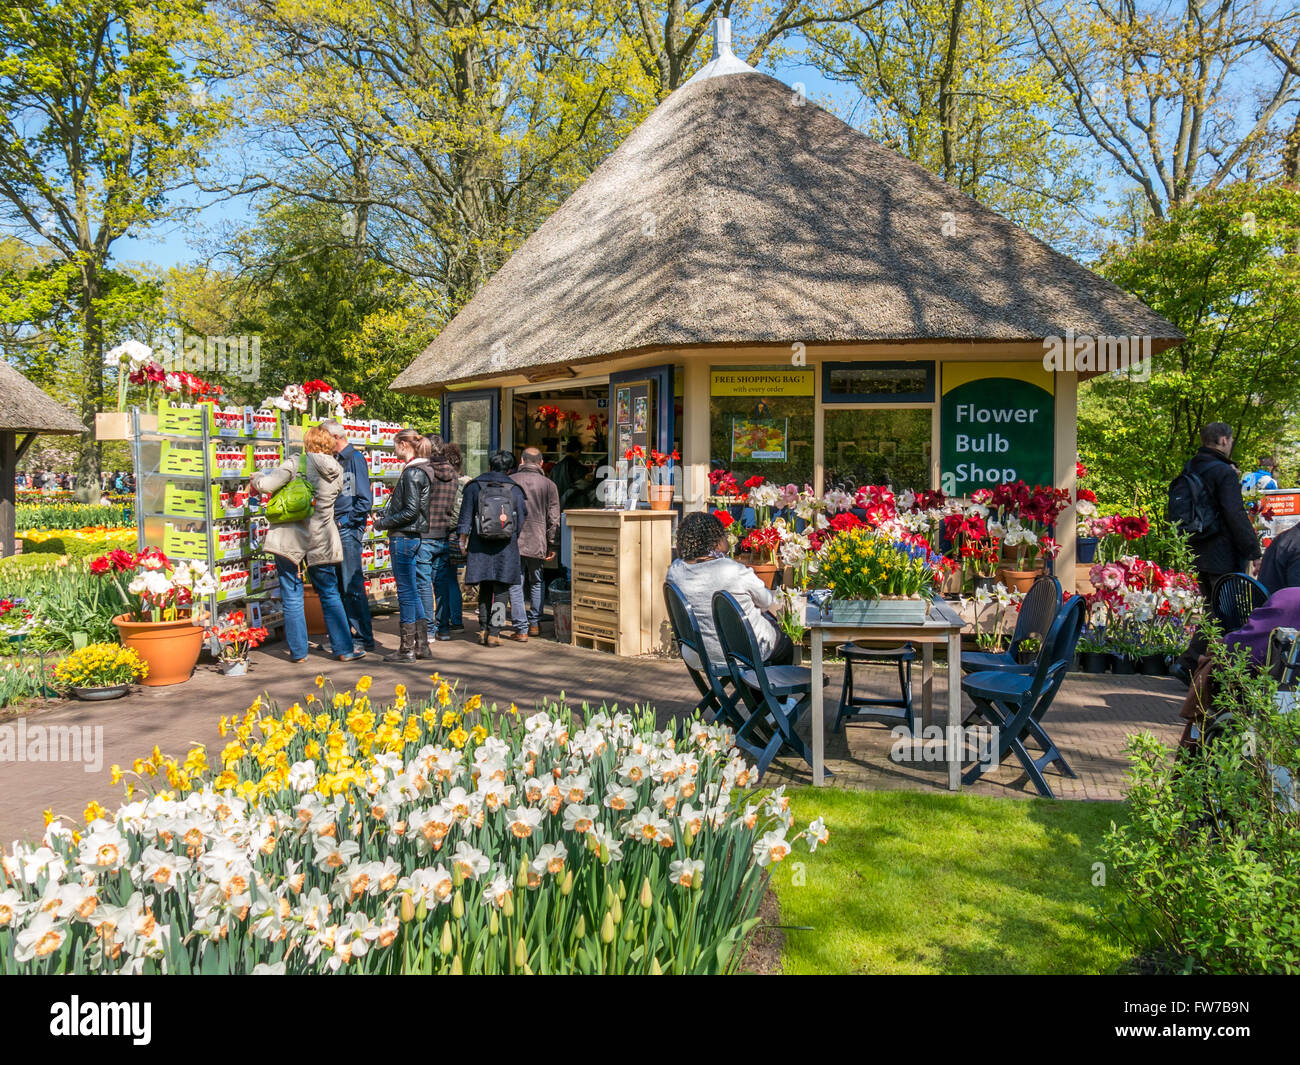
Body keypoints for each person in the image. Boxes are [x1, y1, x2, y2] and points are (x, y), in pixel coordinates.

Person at [251, 425, 361, 662]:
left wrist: (258, 477)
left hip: (292, 536)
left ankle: (299, 653)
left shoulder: (296, 462)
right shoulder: (337, 470)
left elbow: (266, 486)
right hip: (322, 538)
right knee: (330, 593)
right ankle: (344, 649)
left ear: (308, 442)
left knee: (291, 593)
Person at [1172, 422, 1264, 684]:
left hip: (1197, 547)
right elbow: (1235, 515)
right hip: (1222, 552)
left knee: (1215, 608)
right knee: (1225, 610)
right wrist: (1254, 551)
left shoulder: (1193, 466)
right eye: (1231, 440)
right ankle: (1192, 665)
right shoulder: (1223, 472)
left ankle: (1203, 667)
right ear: (1224, 440)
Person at [666, 510, 793, 669]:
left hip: (697, 655)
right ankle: (769, 693)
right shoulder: (732, 570)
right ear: (716, 543)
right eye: (724, 535)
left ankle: (753, 691)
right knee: (785, 644)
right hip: (742, 653)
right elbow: (766, 601)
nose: (727, 539)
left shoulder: (675, 571)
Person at [457, 449, 528, 647]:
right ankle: (495, 633)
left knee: (485, 586)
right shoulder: (515, 489)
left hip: (480, 544)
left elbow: (465, 517)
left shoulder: (474, 486)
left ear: (489, 465)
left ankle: (482, 629)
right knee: (502, 588)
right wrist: (511, 536)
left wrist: (462, 541)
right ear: (509, 468)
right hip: (506, 545)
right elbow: (521, 519)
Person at [373, 428, 433, 661]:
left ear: (404, 445)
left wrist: (383, 522)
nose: (393, 449)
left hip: (403, 536)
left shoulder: (412, 473)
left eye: (395, 445)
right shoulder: (421, 471)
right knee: (414, 592)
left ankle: (406, 649)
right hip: (413, 537)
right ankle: (421, 645)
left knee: (406, 593)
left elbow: (410, 510)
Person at [322, 419, 375, 653]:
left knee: (351, 583)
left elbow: (364, 499)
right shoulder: (337, 460)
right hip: (337, 527)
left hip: (347, 528)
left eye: (325, 439)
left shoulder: (354, 459)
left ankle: (363, 636)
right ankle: (348, 635)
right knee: (342, 583)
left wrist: (346, 521)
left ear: (335, 437)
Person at [510, 447, 560, 639]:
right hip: (538, 539)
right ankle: (535, 624)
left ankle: (521, 628)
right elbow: (554, 518)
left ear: (521, 461)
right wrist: (552, 543)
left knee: (516, 582)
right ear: (541, 463)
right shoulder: (549, 485)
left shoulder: (511, 481)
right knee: (537, 581)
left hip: (514, 539)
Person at [420, 435, 460, 642]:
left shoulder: (424, 472)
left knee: (424, 583)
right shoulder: (453, 474)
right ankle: (443, 627)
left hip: (425, 534)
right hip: (444, 533)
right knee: (442, 582)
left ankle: (428, 629)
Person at [440, 442, 469, 635]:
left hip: (447, 535)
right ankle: (457, 620)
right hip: (464, 536)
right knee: (453, 581)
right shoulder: (469, 484)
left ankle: (449, 619)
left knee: (447, 579)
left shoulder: (446, 483)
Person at [551, 438, 593, 509]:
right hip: (574, 507)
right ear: (577, 451)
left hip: (558, 505)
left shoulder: (555, 468)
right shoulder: (579, 467)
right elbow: (584, 486)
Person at [1259, 522, 1300, 593]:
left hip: (1267, 600)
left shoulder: (1284, 538)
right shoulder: (1296, 545)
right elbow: (1296, 593)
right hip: (1282, 601)